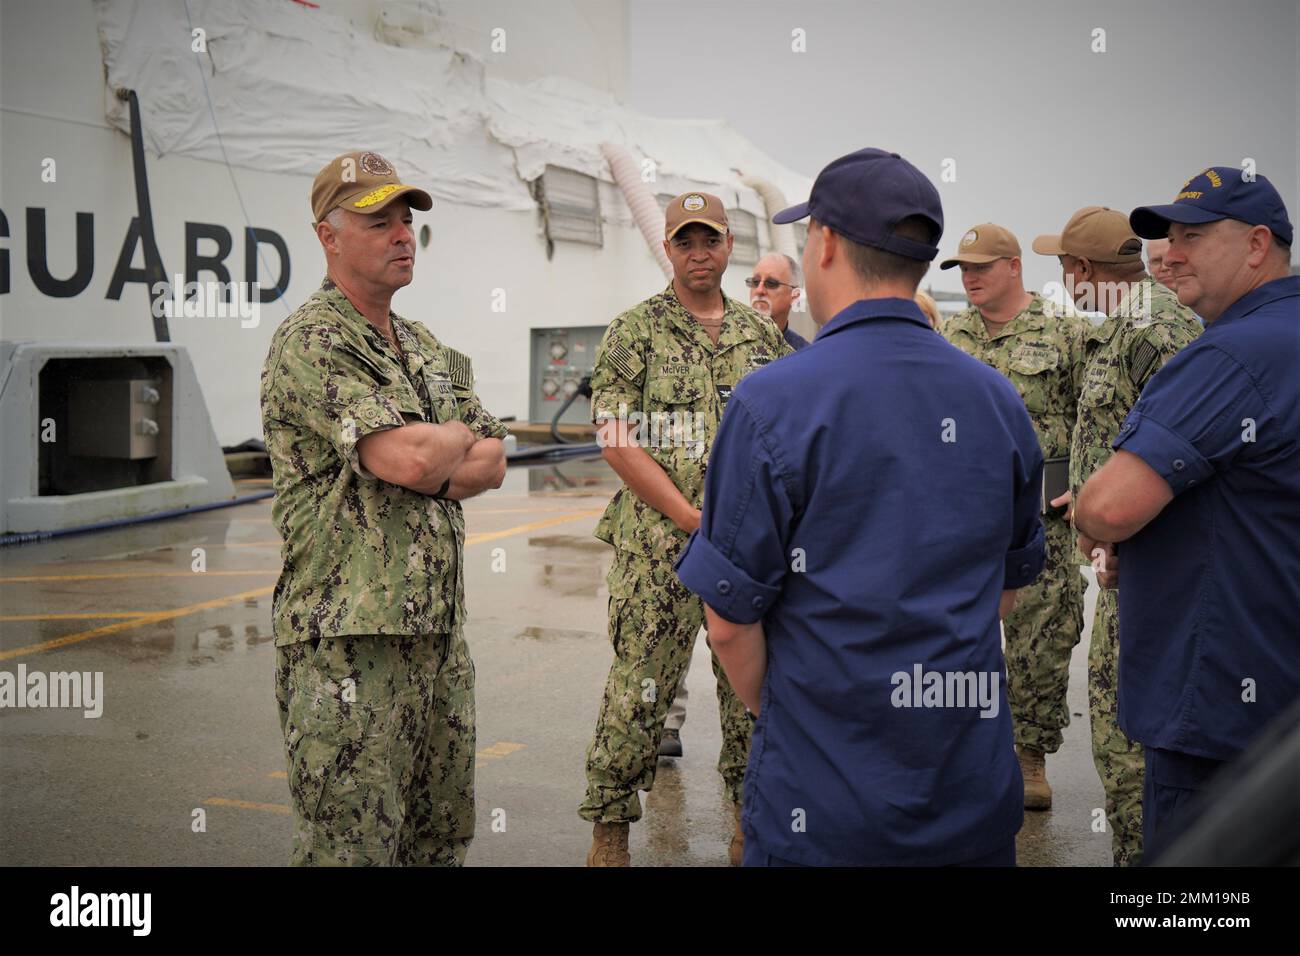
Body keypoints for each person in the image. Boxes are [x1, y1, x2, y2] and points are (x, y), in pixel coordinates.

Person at [675, 147, 1045, 866]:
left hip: (822, 808)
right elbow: (1003, 591)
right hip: (966, 797)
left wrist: (802, 713)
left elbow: (728, 623)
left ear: (825, 244)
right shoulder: (997, 399)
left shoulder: (771, 401)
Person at [260, 151, 508, 866]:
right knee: (353, 847)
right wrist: (448, 442)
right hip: (348, 646)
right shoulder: (313, 340)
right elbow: (410, 461)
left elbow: (493, 460)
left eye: (406, 221)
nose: (403, 236)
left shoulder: (427, 346)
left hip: (437, 639)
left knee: (439, 841)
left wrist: (435, 450)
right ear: (328, 237)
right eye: (379, 223)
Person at [1075, 166, 1299, 860]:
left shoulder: (1232, 353)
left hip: (1222, 715)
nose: (1169, 255)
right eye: (1168, 238)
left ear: (1257, 244)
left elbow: (1108, 507)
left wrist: (1105, 529)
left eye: (1193, 237)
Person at [579, 192, 792, 866]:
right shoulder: (634, 331)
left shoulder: (762, 336)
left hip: (747, 552)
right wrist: (689, 517)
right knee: (639, 689)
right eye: (685, 242)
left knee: (751, 693)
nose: (699, 254)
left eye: (711, 240)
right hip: (658, 549)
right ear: (668, 249)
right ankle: (610, 830)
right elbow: (616, 439)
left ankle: (748, 825)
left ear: (729, 245)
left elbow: (785, 436)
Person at [1032, 205, 1201, 865]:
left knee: (1135, 758)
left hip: (1152, 577)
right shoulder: (1126, 327)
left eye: (1063, 267)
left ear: (1081, 269)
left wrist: (1125, 528)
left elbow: (1191, 456)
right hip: (1125, 566)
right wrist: (1090, 495)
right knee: (1120, 742)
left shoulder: (1156, 331)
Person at [938, 223, 1089, 809]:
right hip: (963, 518)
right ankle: (961, 752)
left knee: (1041, 640)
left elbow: (1096, 416)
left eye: (981, 267)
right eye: (963, 269)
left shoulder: (1066, 333)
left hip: (1040, 518)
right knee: (955, 638)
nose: (970, 278)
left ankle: (1029, 756)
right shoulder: (949, 336)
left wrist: (1084, 483)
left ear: (1014, 267)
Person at [747, 252, 809, 349]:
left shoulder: (803, 352)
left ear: (795, 296)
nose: (759, 290)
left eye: (771, 283)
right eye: (755, 282)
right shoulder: (725, 338)